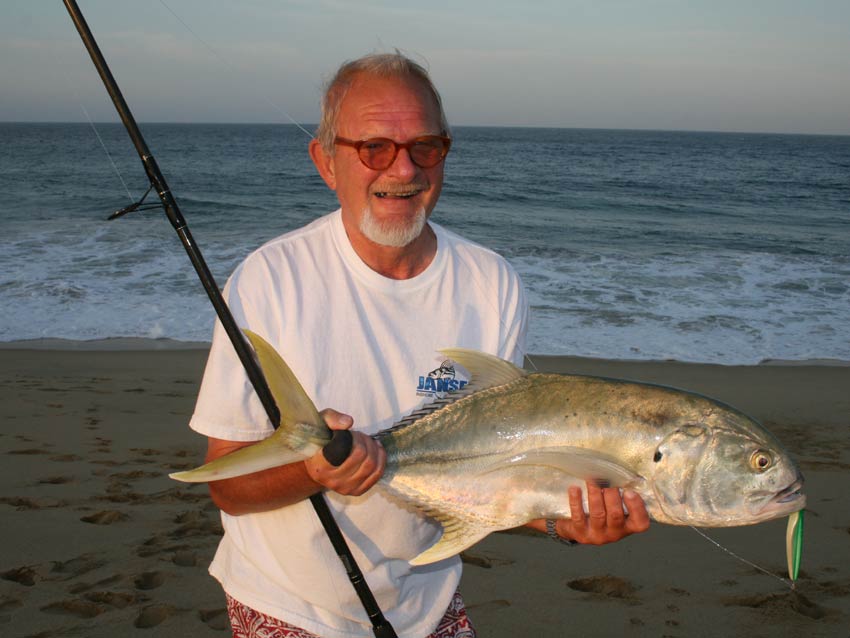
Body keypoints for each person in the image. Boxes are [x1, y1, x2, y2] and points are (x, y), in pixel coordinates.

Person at [189, 52, 650, 638]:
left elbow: (489, 479)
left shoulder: (491, 284)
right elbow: (227, 487)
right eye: (374, 148)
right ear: (326, 162)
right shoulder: (270, 280)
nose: (403, 169)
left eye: (425, 147)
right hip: (286, 603)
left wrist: (565, 521)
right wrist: (313, 472)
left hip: (427, 603)